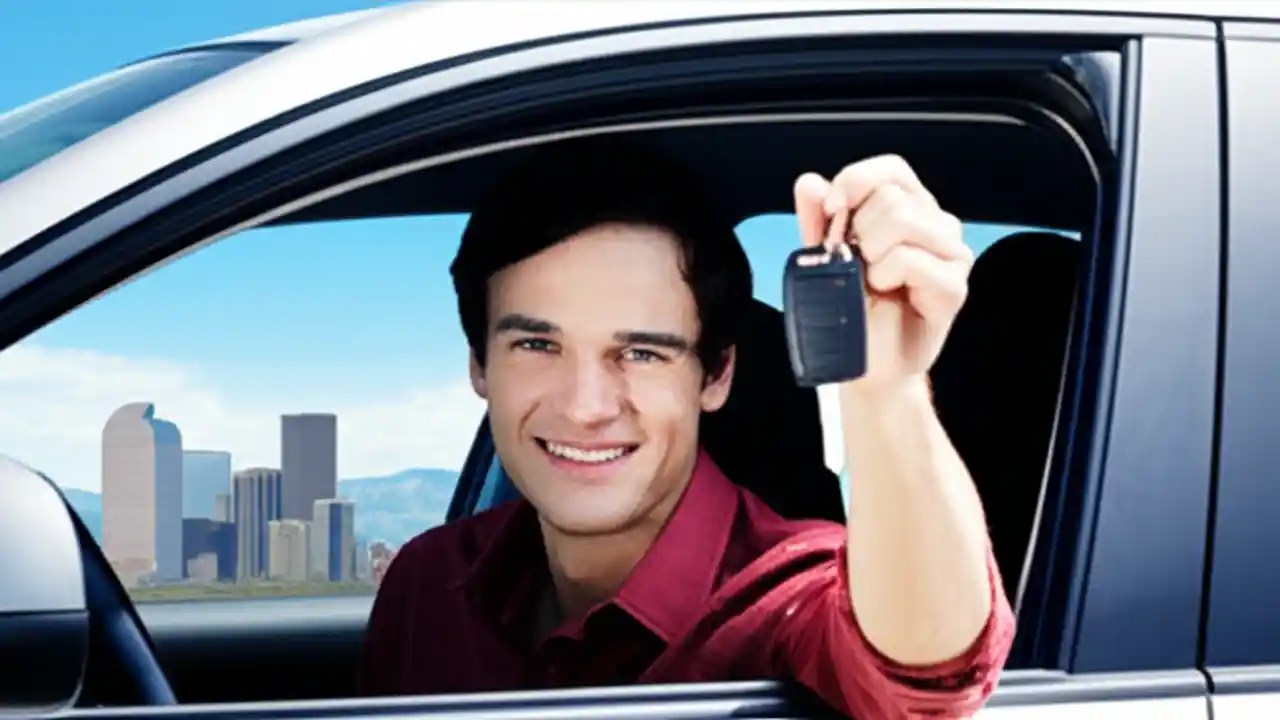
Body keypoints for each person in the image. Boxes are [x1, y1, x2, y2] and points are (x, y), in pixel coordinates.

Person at [359, 139, 1015, 718]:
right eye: (537, 345)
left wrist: (888, 391)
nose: (586, 406)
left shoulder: (786, 589)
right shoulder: (427, 581)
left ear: (716, 375)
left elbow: (927, 680)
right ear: (480, 365)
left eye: (641, 353)